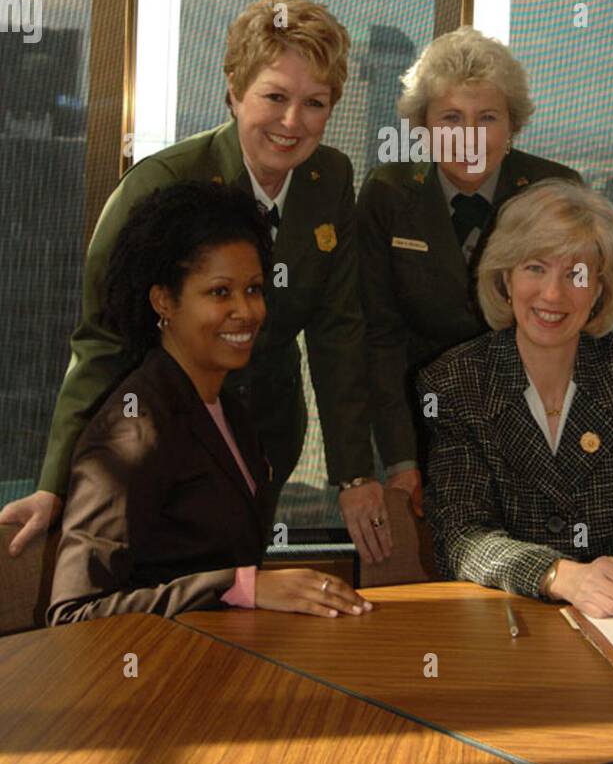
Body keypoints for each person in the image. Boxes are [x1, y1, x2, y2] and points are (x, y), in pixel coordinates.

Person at [2, 0, 398, 564]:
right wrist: (58, 483)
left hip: (264, 436)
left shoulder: (329, 177)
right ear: (234, 92)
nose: (293, 123)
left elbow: (338, 332)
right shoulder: (161, 187)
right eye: (275, 97)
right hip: (161, 440)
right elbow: (103, 342)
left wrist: (354, 473)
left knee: (241, 588)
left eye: (315, 103)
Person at [47, 181, 372, 623]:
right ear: (164, 300)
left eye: (254, 289)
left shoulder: (229, 408)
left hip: (222, 661)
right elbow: (75, 613)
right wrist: (241, 586)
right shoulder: (132, 429)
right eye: (220, 293)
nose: (246, 310)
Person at [418, 179, 613, 615]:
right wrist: (561, 575)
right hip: (507, 630)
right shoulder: (455, 381)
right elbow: (463, 538)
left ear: (600, 288)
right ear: (504, 276)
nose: (553, 294)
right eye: (535, 268)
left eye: (576, 274)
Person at [357, 27, 582, 506]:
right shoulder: (389, 193)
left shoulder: (554, 190)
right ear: (422, 127)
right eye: (451, 118)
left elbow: (582, 337)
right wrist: (401, 460)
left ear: (513, 125)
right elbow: (380, 337)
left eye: (487, 118)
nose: (469, 138)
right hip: (417, 426)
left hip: (531, 427)